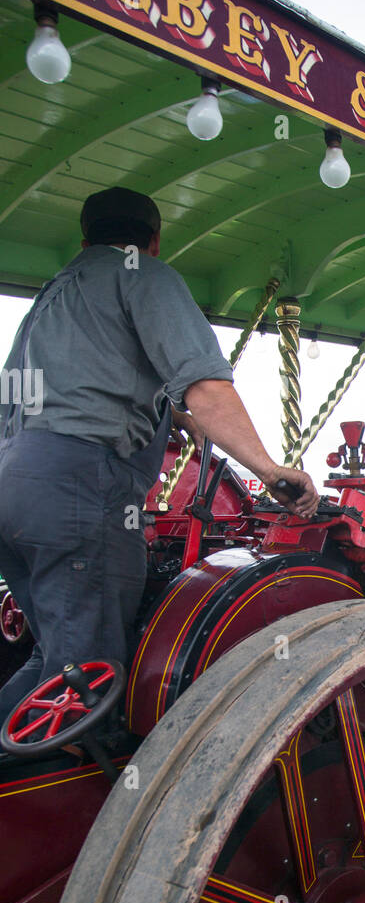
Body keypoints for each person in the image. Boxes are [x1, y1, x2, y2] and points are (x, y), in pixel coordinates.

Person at [0, 186, 318, 730]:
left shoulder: (56, 294)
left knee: (51, 659)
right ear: (153, 241)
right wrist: (271, 471)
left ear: (84, 240)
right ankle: (77, 803)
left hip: (17, 490)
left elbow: (67, 390)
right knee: (91, 676)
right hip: (80, 492)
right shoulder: (143, 274)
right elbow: (206, 387)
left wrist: (175, 419)